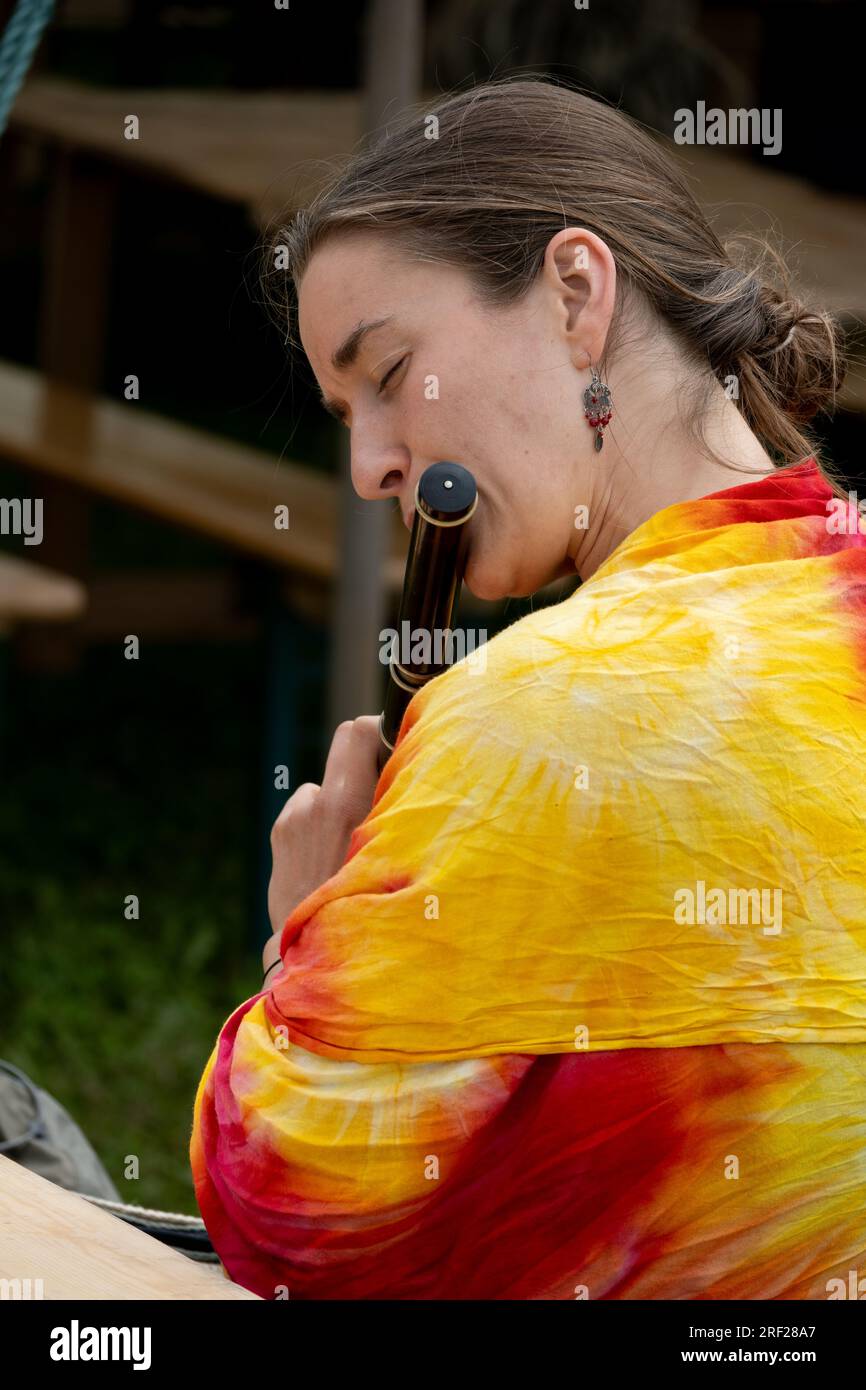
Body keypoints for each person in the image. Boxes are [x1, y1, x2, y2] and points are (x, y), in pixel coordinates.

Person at [190, 77, 866, 1300]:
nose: (367, 465)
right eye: (345, 415)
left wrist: (305, 940)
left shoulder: (542, 708)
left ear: (574, 295)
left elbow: (293, 1215)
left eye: (387, 372)